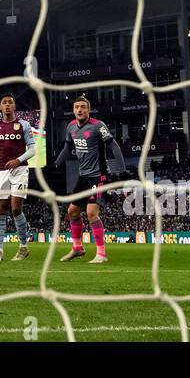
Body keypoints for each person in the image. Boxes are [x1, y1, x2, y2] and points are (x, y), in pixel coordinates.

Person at [54, 97, 124, 264]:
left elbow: (114, 146)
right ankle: (77, 248)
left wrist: (121, 171)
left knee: (92, 212)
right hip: (83, 176)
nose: (80, 110)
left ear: (88, 110)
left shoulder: (98, 126)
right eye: (77, 107)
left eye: (83, 107)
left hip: (99, 175)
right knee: (72, 212)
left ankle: (101, 254)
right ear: (73, 110)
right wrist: (56, 163)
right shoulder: (70, 127)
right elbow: (67, 148)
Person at [0, 94, 35, 262]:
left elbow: (33, 150)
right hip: (1, 172)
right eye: (4, 102)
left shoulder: (23, 125)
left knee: (15, 209)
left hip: (20, 169)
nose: (7, 105)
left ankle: (23, 247)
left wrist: (18, 160)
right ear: (0, 107)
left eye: (10, 102)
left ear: (14, 107)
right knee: (1, 209)